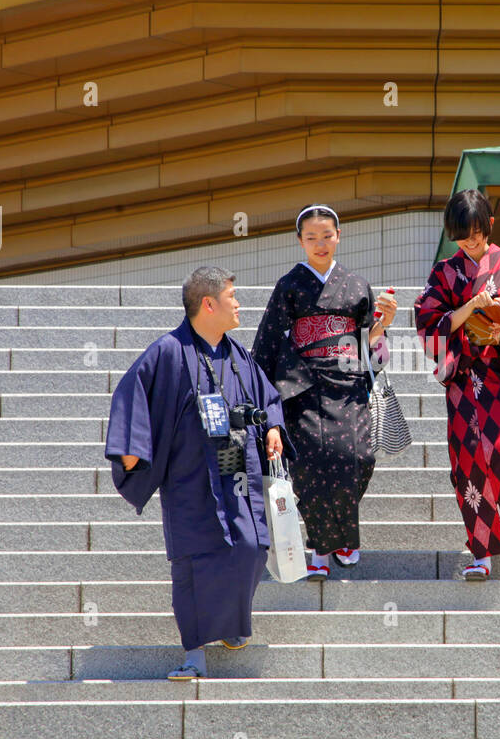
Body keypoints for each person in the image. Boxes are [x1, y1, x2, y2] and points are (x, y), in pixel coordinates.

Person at [105, 266, 297, 679]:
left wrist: (275, 427)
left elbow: (267, 396)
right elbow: (132, 394)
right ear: (208, 303)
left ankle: (231, 626)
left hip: (237, 471)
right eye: (232, 296)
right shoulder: (168, 351)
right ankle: (194, 656)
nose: (239, 303)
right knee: (193, 564)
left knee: (251, 547)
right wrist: (131, 453)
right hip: (190, 478)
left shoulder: (238, 354)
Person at [250, 203, 397, 581]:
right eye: (311, 237)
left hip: (347, 387)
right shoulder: (289, 285)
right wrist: (261, 395)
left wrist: (385, 323)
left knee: (358, 458)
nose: (320, 243)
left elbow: (367, 344)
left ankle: (342, 537)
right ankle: (319, 548)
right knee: (312, 466)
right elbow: (267, 341)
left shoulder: (356, 284)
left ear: (338, 236)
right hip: (303, 389)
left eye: (327, 235)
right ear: (300, 242)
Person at [414, 189, 500, 580]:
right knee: (470, 461)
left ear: (490, 225)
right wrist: (470, 307)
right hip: (465, 381)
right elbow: (428, 324)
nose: (470, 242)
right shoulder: (443, 272)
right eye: (462, 236)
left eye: (476, 233)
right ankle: (481, 552)